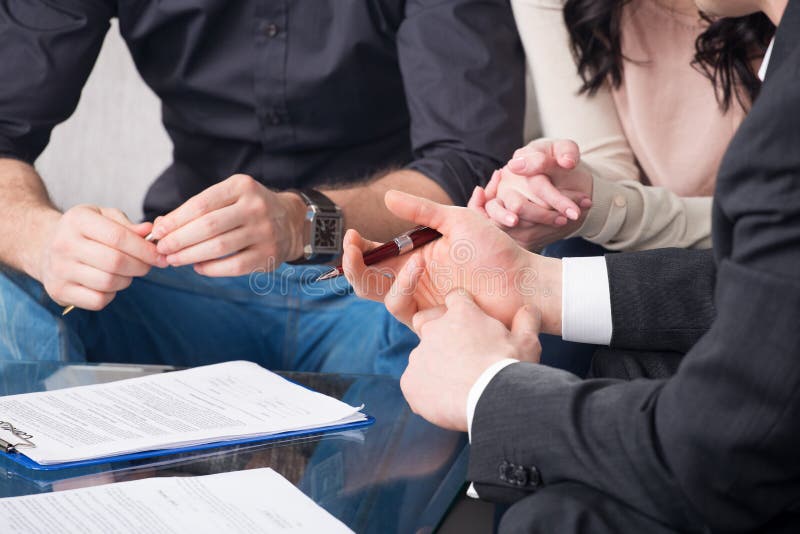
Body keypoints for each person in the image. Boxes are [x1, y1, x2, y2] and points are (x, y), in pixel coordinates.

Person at [344, 0, 800, 529]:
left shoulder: (781, 127)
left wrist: (489, 390)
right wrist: (537, 286)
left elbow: (730, 444)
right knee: (565, 483)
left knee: (553, 521)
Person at [0, 1, 524, 376]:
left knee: (518, 287)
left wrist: (301, 221)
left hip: (381, 288)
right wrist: (42, 240)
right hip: (179, 292)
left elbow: (467, 163)